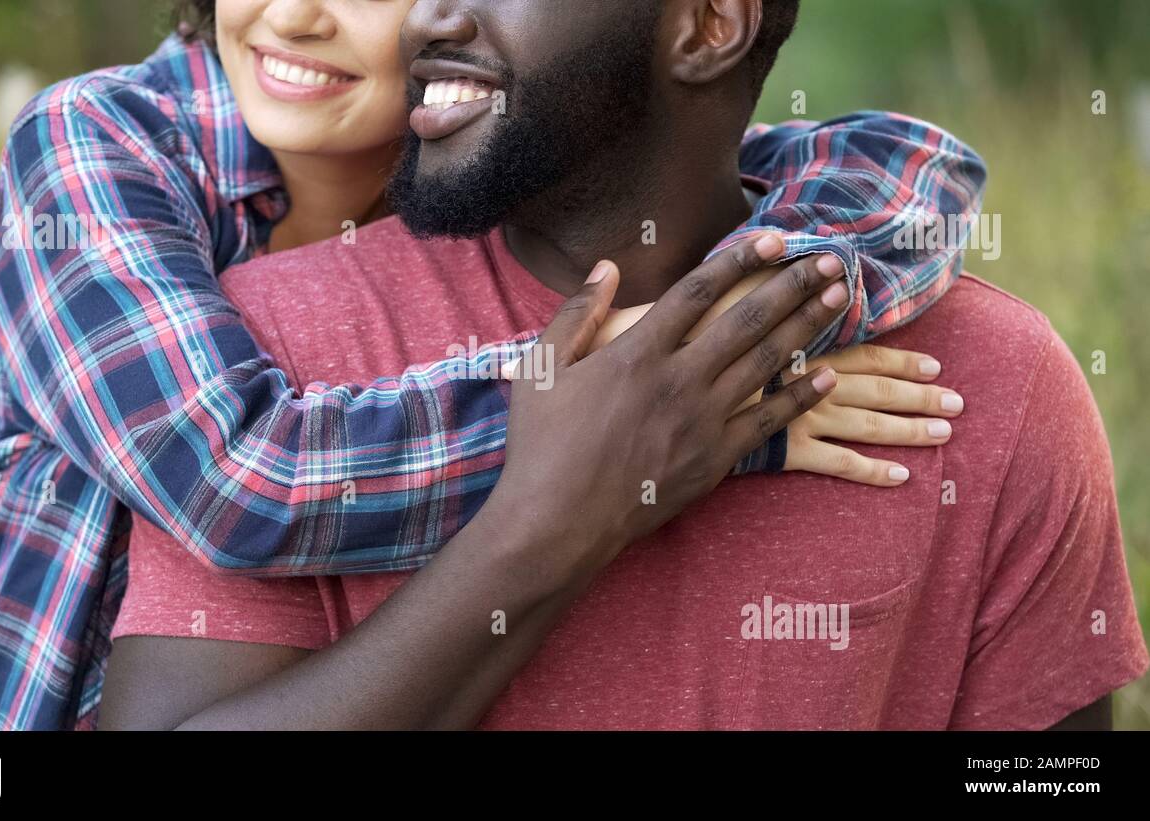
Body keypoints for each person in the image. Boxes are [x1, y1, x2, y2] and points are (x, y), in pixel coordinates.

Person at [0, 0, 985, 730]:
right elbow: (238, 476)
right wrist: (677, 410)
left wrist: (751, 316)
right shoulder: (98, 144)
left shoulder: (472, 153)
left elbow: (896, 167)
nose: (293, 15)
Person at [100, 0, 1147, 730]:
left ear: (705, 25)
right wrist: (552, 517)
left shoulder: (989, 381)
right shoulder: (273, 348)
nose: (425, 17)